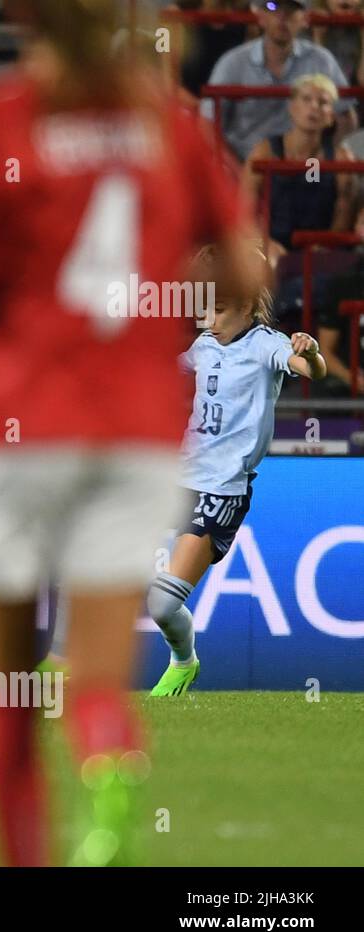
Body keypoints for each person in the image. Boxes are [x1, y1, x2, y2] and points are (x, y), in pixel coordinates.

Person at [0, 0, 262, 866]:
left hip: (16, 420)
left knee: (13, 694)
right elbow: (246, 264)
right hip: (133, 427)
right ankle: (107, 757)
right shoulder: (168, 124)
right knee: (96, 680)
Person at [147, 245, 327, 696]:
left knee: (163, 603)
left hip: (221, 489)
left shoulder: (266, 345)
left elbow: (311, 369)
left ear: (247, 304)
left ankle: (184, 662)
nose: (208, 317)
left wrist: (313, 352)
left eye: (220, 308)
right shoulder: (204, 344)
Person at [202, 0, 357, 159]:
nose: (282, 17)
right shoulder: (233, 62)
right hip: (244, 164)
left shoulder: (320, 59)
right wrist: (232, 168)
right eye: (273, 7)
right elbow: (207, 123)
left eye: (291, 10)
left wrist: (320, 156)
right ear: (261, 17)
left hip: (304, 168)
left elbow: (347, 118)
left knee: (345, 165)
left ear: (305, 19)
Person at [243, 73, 357, 268]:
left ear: (330, 117)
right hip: (269, 246)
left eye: (323, 102)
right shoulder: (264, 151)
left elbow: (343, 215)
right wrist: (264, 243)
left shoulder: (341, 159)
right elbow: (244, 208)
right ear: (292, 108)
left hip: (321, 250)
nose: (314, 107)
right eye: (306, 99)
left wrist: (323, 247)